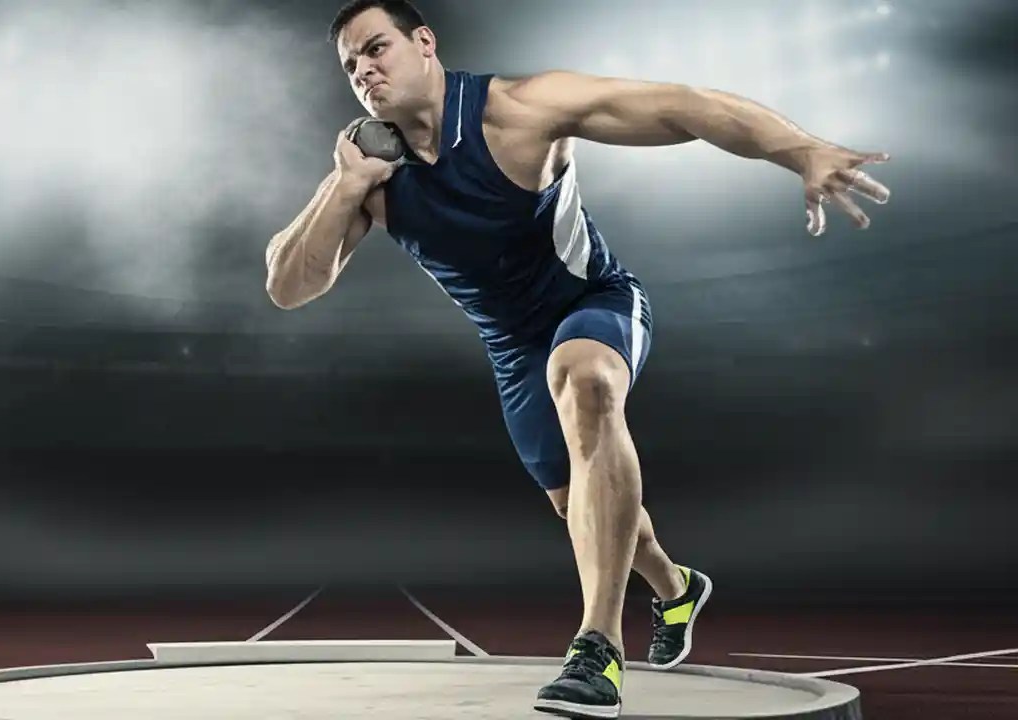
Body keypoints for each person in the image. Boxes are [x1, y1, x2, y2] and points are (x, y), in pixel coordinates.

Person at [263, 1, 891, 717]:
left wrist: (799, 150)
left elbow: (680, 106)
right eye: (351, 65)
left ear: (425, 44)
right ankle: (677, 587)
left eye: (377, 48)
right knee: (580, 508)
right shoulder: (370, 178)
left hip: (594, 304)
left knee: (586, 380)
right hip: (514, 351)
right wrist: (344, 187)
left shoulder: (521, 110)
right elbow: (288, 285)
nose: (365, 69)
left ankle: (597, 648)